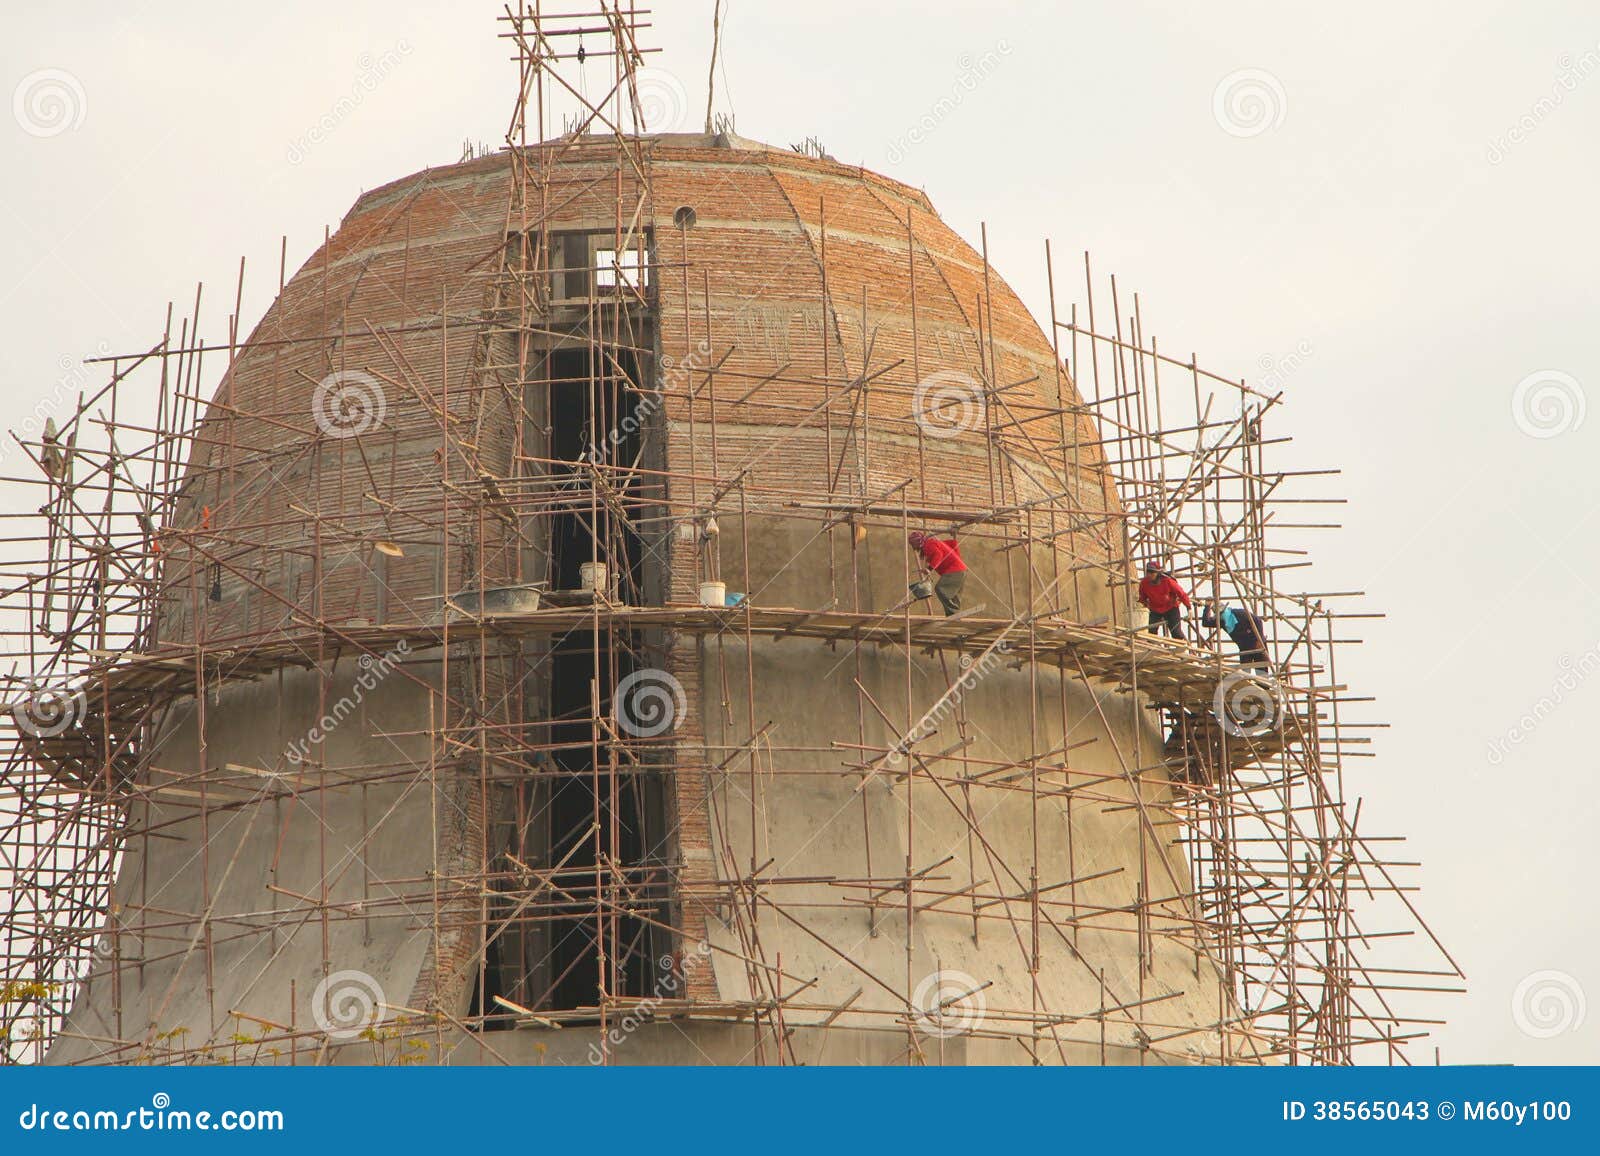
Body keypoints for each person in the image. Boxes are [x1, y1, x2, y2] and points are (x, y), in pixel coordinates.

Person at [908, 530, 966, 616]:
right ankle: (954, 614)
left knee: (940, 589)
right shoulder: (933, 543)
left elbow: (938, 555)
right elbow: (953, 544)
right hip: (961, 569)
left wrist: (929, 568)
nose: (913, 547)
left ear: (918, 541)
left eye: (913, 544)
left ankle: (952, 613)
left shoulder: (928, 545)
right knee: (954, 594)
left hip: (955, 569)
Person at [1202, 602, 1271, 674]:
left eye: (1222, 613)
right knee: (1245, 672)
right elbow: (1206, 622)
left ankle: (1263, 685)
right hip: (1244, 648)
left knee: (1262, 671)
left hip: (1257, 645)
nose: (1222, 615)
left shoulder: (1239, 613)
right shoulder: (1222, 621)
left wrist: (1259, 639)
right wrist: (1207, 607)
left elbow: (1258, 621)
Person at [1137, 561, 1190, 639]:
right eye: (1148, 572)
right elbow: (1142, 597)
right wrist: (1144, 605)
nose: (1150, 575)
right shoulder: (1144, 583)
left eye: (1152, 573)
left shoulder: (1168, 581)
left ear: (1158, 573)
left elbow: (1181, 594)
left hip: (1171, 608)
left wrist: (1189, 608)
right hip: (1155, 609)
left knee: (1175, 632)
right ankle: (1154, 648)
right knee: (1152, 632)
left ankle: (1181, 648)